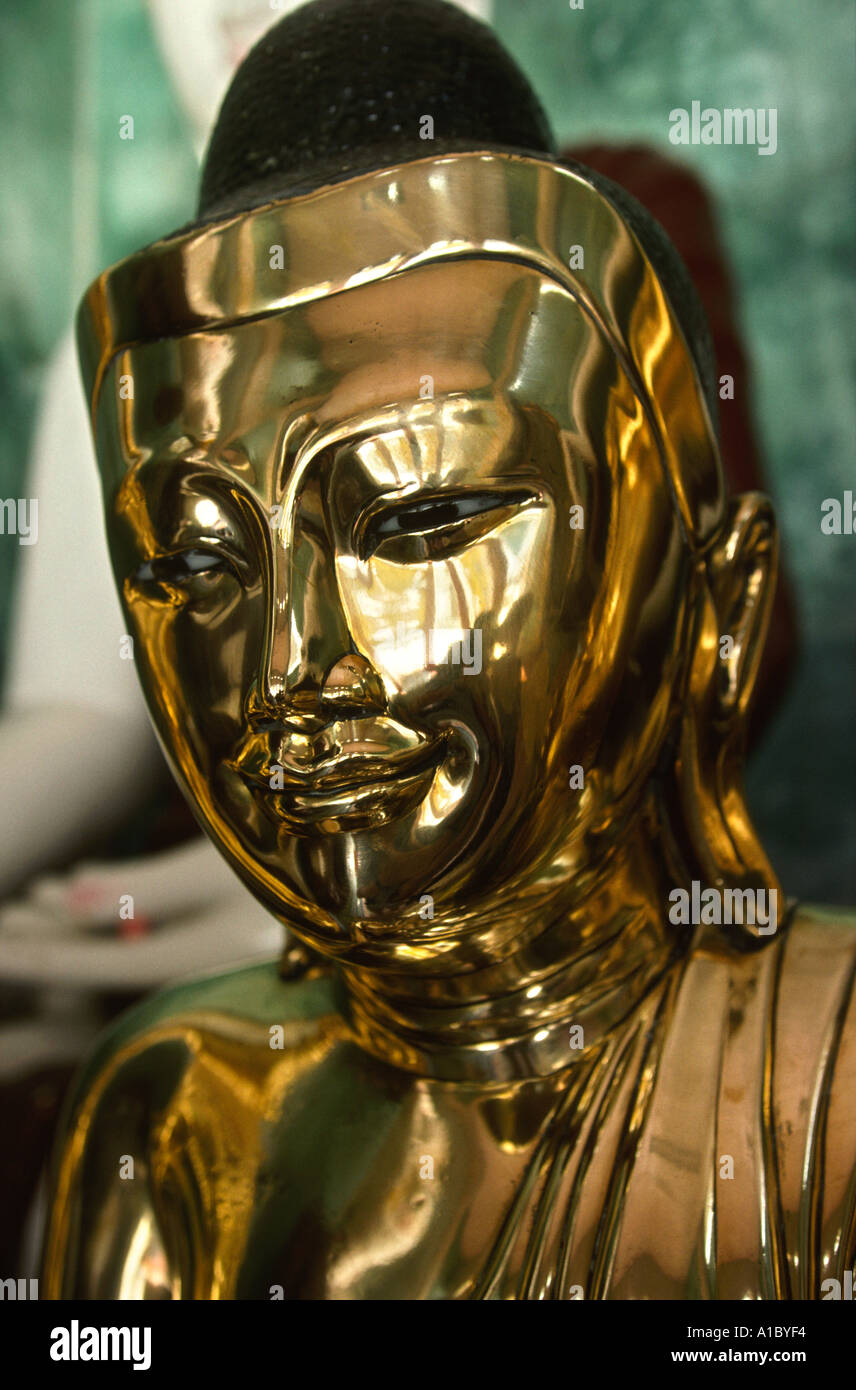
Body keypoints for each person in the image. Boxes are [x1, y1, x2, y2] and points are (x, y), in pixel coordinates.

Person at [43, 0, 855, 1300]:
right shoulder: (177, 1118)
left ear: (715, 601)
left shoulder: (823, 1103)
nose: (299, 667)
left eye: (422, 517)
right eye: (200, 565)